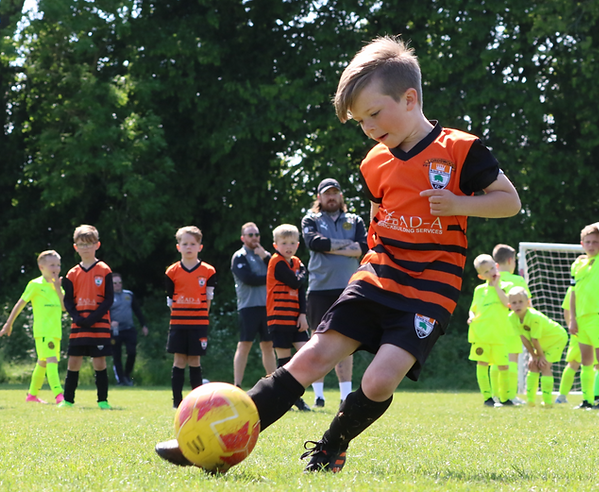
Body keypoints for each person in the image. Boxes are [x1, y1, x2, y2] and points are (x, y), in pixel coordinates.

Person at [156, 36, 521, 473]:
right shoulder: (375, 161)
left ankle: (331, 445)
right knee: (310, 358)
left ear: (409, 99)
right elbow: (376, 218)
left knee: (379, 379)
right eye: (359, 121)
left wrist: (461, 204)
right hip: (379, 275)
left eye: (373, 114)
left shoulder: (462, 149)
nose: (367, 127)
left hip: (430, 288)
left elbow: (509, 200)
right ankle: (206, 440)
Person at [301, 177, 368, 408]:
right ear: (319, 197)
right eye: (327, 193)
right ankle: (318, 396)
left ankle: (345, 395)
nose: (331, 197)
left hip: (348, 287)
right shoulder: (311, 218)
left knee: (346, 342)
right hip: (319, 288)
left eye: (335, 193)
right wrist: (346, 247)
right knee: (316, 340)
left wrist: (331, 246)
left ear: (341, 196)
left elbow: (364, 247)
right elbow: (314, 243)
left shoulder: (355, 219)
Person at [0, 250, 66, 404]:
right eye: (52, 265)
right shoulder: (35, 285)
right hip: (43, 331)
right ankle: (59, 395)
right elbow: (20, 304)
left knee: (42, 362)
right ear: (41, 267)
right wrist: (9, 323)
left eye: (58, 265)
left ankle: (32, 395)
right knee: (52, 360)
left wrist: (57, 288)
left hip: (56, 332)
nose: (56, 268)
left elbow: (64, 308)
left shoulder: (58, 286)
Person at [59, 224, 114, 409]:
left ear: (97, 245)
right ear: (76, 247)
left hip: (99, 325)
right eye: (81, 244)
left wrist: (93, 318)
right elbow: (68, 301)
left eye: (89, 243)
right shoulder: (72, 273)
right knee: (74, 362)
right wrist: (77, 317)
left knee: (99, 363)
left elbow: (108, 299)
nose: (86, 248)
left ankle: (103, 400)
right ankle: (67, 400)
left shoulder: (105, 270)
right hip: (79, 325)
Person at [164, 226, 217, 408]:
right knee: (179, 359)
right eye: (184, 243)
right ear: (178, 246)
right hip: (179, 323)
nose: (189, 247)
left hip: (199, 323)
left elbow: (208, 299)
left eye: (193, 244)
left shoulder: (209, 271)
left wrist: (201, 316)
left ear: (199, 247)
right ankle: (177, 402)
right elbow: (170, 301)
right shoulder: (171, 272)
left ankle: (196, 402)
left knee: (195, 360)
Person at [567, 222, 599, 410]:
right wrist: (572, 318)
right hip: (581, 318)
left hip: (598, 316)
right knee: (585, 361)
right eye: (588, 241)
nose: (592, 245)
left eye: (595, 241)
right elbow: (573, 293)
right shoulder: (577, 264)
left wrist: (596, 225)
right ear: (582, 244)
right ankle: (587, 400)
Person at [266, 224, 312, 412]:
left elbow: (301, 289)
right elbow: (296, 280)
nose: (288, 246)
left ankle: (291, 397)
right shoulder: (276, 262)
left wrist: (303, 314)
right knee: (284, 361)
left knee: (306, 355)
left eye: (292, 243)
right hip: (279, 318)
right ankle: (284, 399)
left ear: (298, 244)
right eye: (284, 243)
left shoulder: (297, 262)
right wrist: (302, 273)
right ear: (275, 244)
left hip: (295, 319)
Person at [231, 222, 276, 388]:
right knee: (244, 345)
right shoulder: (239, 256)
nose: (254, 238)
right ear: (243, 238)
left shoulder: (266, 255)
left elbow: (279, 271)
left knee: (268, 346)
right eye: (250, 235)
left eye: (256, 234)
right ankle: (237, 385)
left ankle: (273, 383)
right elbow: (248, 279)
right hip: (248, 307)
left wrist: (265, 256)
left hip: (267, 306)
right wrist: (268, 277)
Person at [467, 254, 515, 407]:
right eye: (486, 272)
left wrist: (496, 286)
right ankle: (488, 398)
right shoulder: (479, 290)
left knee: (504, 366)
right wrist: (471, 317)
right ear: (481, 276)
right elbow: (473, 309)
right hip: (481, 334)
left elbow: (507, 303)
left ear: (497, 266)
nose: (491, 273)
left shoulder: (506, 286)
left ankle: (505, 398)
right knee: (482, 363)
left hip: (499, 335)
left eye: (492, 268)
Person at [507, 287, 568, 406]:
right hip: (541, 342)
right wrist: (533, 356)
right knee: (532, 365)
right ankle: (531, 401)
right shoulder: (512, 318)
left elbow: (534, 340)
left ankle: (547, 401)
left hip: (556, 339)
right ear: (509, 305)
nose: (517, 305)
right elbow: (523, 338)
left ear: (528, 303)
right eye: (514, 303)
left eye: (521, 302)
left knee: (544, 365)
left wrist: (539, 356)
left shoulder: (534, 317)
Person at [493, 243, 529, 404]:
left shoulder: (492, 279)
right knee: (512, 360)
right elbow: (527, 304)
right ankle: (510, 396)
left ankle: (495, 395)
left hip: (494, 325)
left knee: (495, 360)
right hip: (512, 325)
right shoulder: (517, 280)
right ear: (510, 260)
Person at [110, 272, 149, 387]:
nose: (117, 285)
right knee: (116, 355)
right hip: (115, 330)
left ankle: (127, 375)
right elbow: (103, 313)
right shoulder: (108, 297)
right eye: (114, 283)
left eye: (119, 282)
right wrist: (110, 322)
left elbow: (137, 311)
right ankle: (121, 380)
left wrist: (144, 325)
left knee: (132, 353)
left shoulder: (129, 295)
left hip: (129, 329)